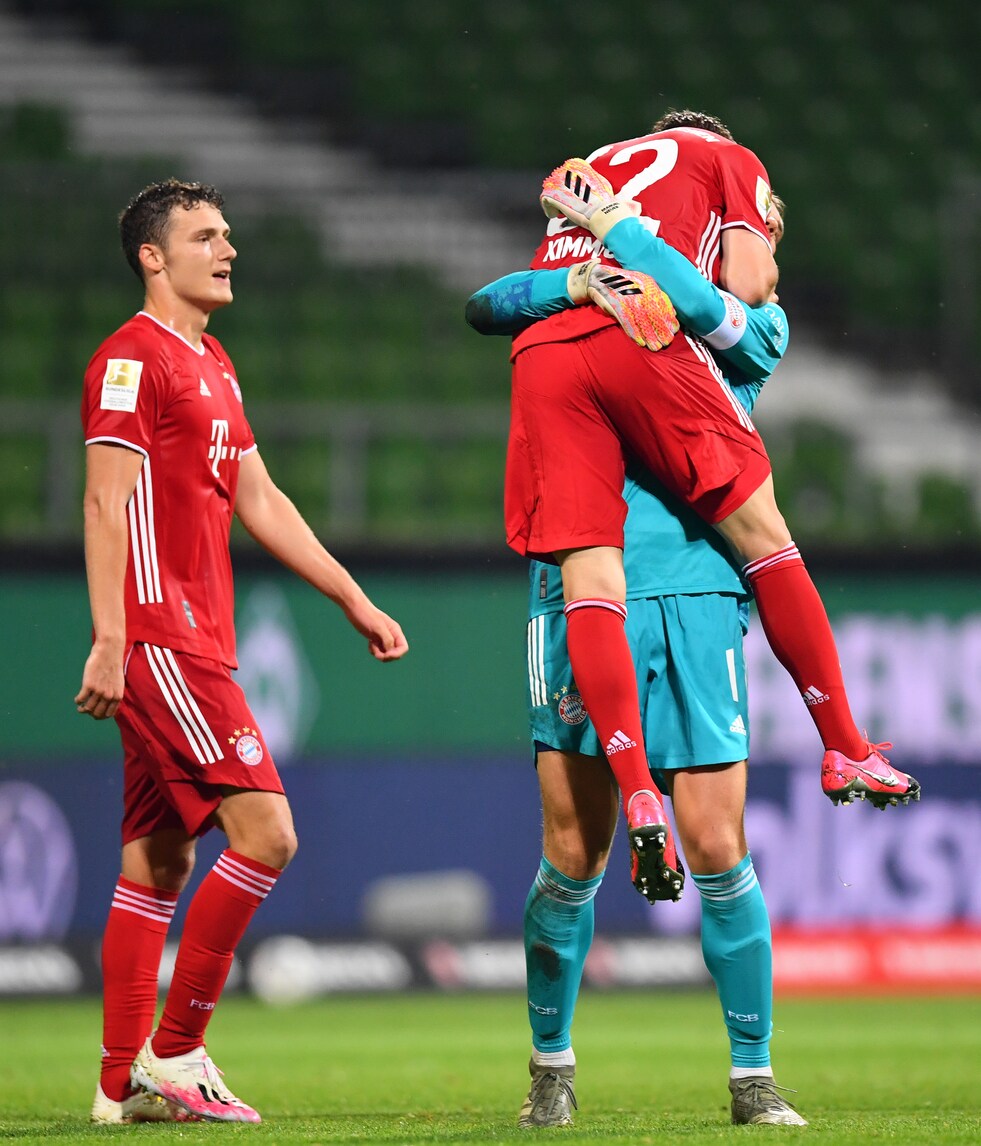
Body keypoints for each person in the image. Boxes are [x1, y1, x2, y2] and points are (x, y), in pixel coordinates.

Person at [491, 112, 918, 902]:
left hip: (565, 416)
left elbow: (489, 304)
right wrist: (608, 259)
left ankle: (633, 802)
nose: (770, 243)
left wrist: (604, 241)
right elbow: (736, 289)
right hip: (694, 576)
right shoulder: (729, 184)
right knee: (769, 544)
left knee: (578, 849)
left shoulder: (615, 188)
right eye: (766, 223)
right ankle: (843, 742)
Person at [468, 199, 807, 1127]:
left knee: (716, 846)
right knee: (572, 853)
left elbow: (719, 308)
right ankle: (551, 1065)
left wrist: (620, 237)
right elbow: (489, 302)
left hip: (695, 594)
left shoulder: (741, 315)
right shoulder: (590, 299)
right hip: (576, 586)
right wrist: (580, 280)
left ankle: (752, 1076)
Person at [77, 179, 409, 1125]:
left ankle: (118, 1090)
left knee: (156, 863)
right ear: (154, 256)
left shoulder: (213, 361)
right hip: (159, 634)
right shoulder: (130, 362)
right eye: (205, 236)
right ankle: (174, 1055)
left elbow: (259, 499)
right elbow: (105, 503)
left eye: (228, 235)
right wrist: (112, 638)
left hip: (196, 636)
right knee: (267, 834)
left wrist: (351, 596)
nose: (227, 250)